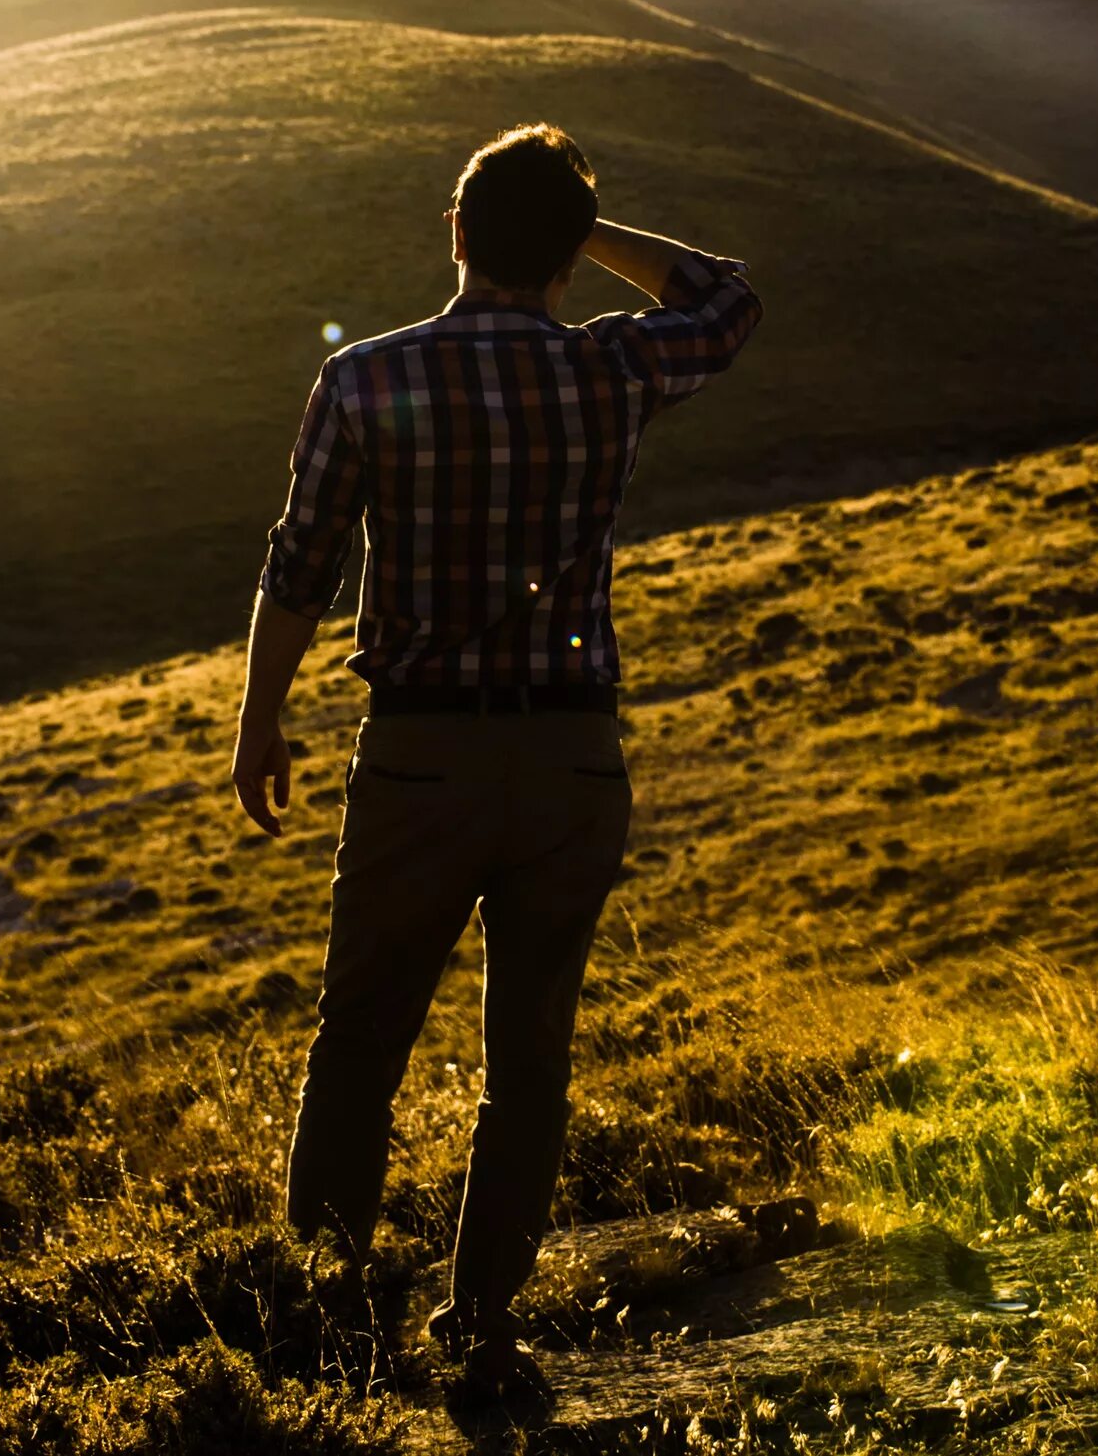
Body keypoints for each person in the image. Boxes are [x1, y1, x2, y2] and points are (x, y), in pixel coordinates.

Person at [229, 122, 762, 1398]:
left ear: (457, 236)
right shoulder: (614, 369)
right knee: (531, 1050)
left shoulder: (365, 379)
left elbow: (300, 564)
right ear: (570, 252)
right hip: (574, 756)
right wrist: (601, 229)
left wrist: (262, 718)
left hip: (417, 756)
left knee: (359, 1039)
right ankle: (480, 1323)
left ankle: (333, 1328)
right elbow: (730, 298)